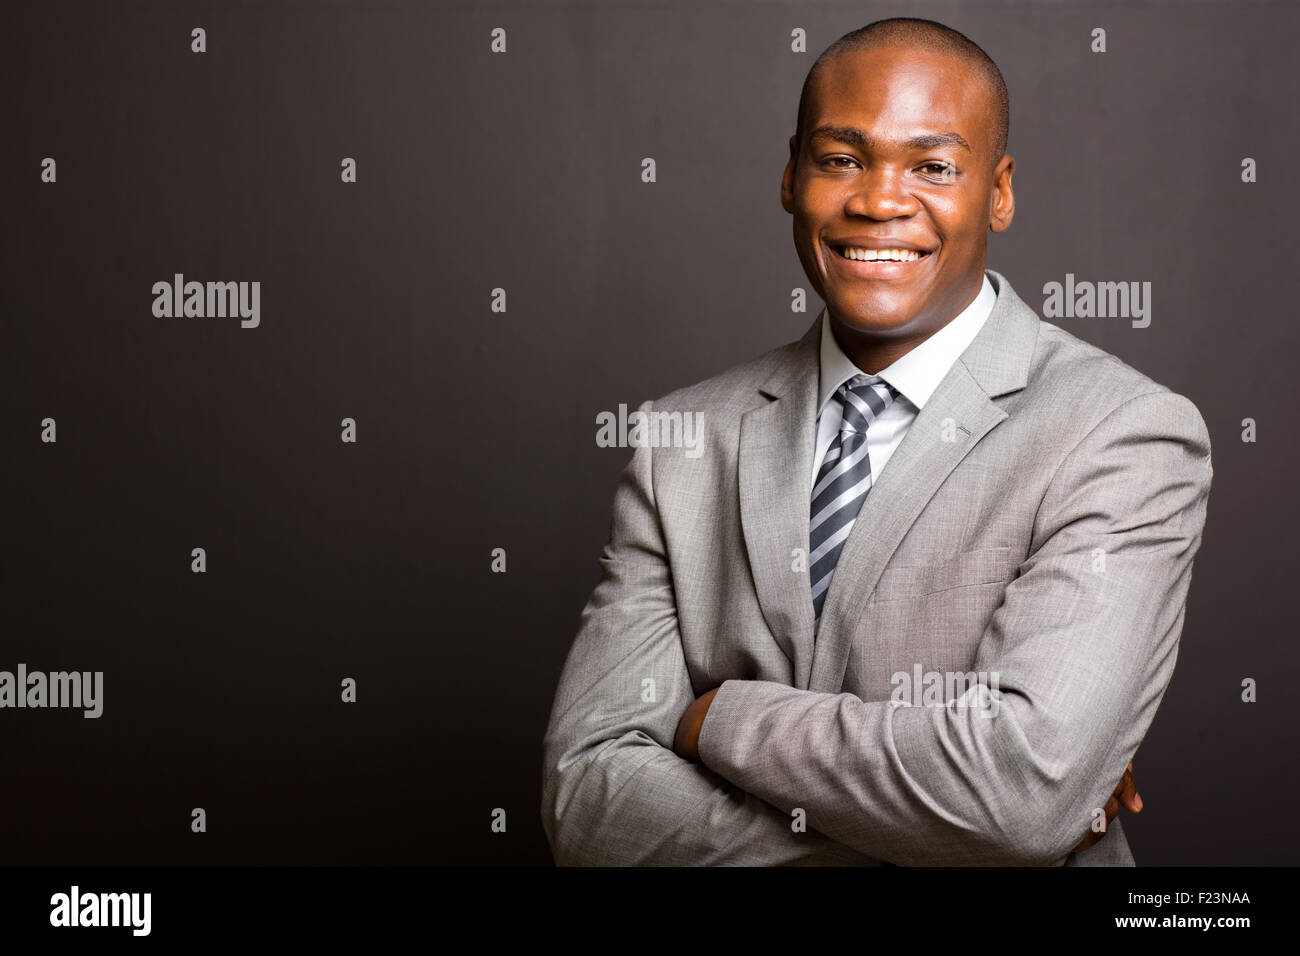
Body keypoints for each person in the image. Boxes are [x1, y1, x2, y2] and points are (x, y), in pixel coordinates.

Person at [540, 17, 1211, 865]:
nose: (880, 200)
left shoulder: (1122, 432)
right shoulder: (684, 442)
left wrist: (713, 720)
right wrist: (940, 829)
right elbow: (590, 796)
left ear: (999, 191)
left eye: (932, 166)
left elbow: (1023, 790)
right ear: (791, 176)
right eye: (842, 159)